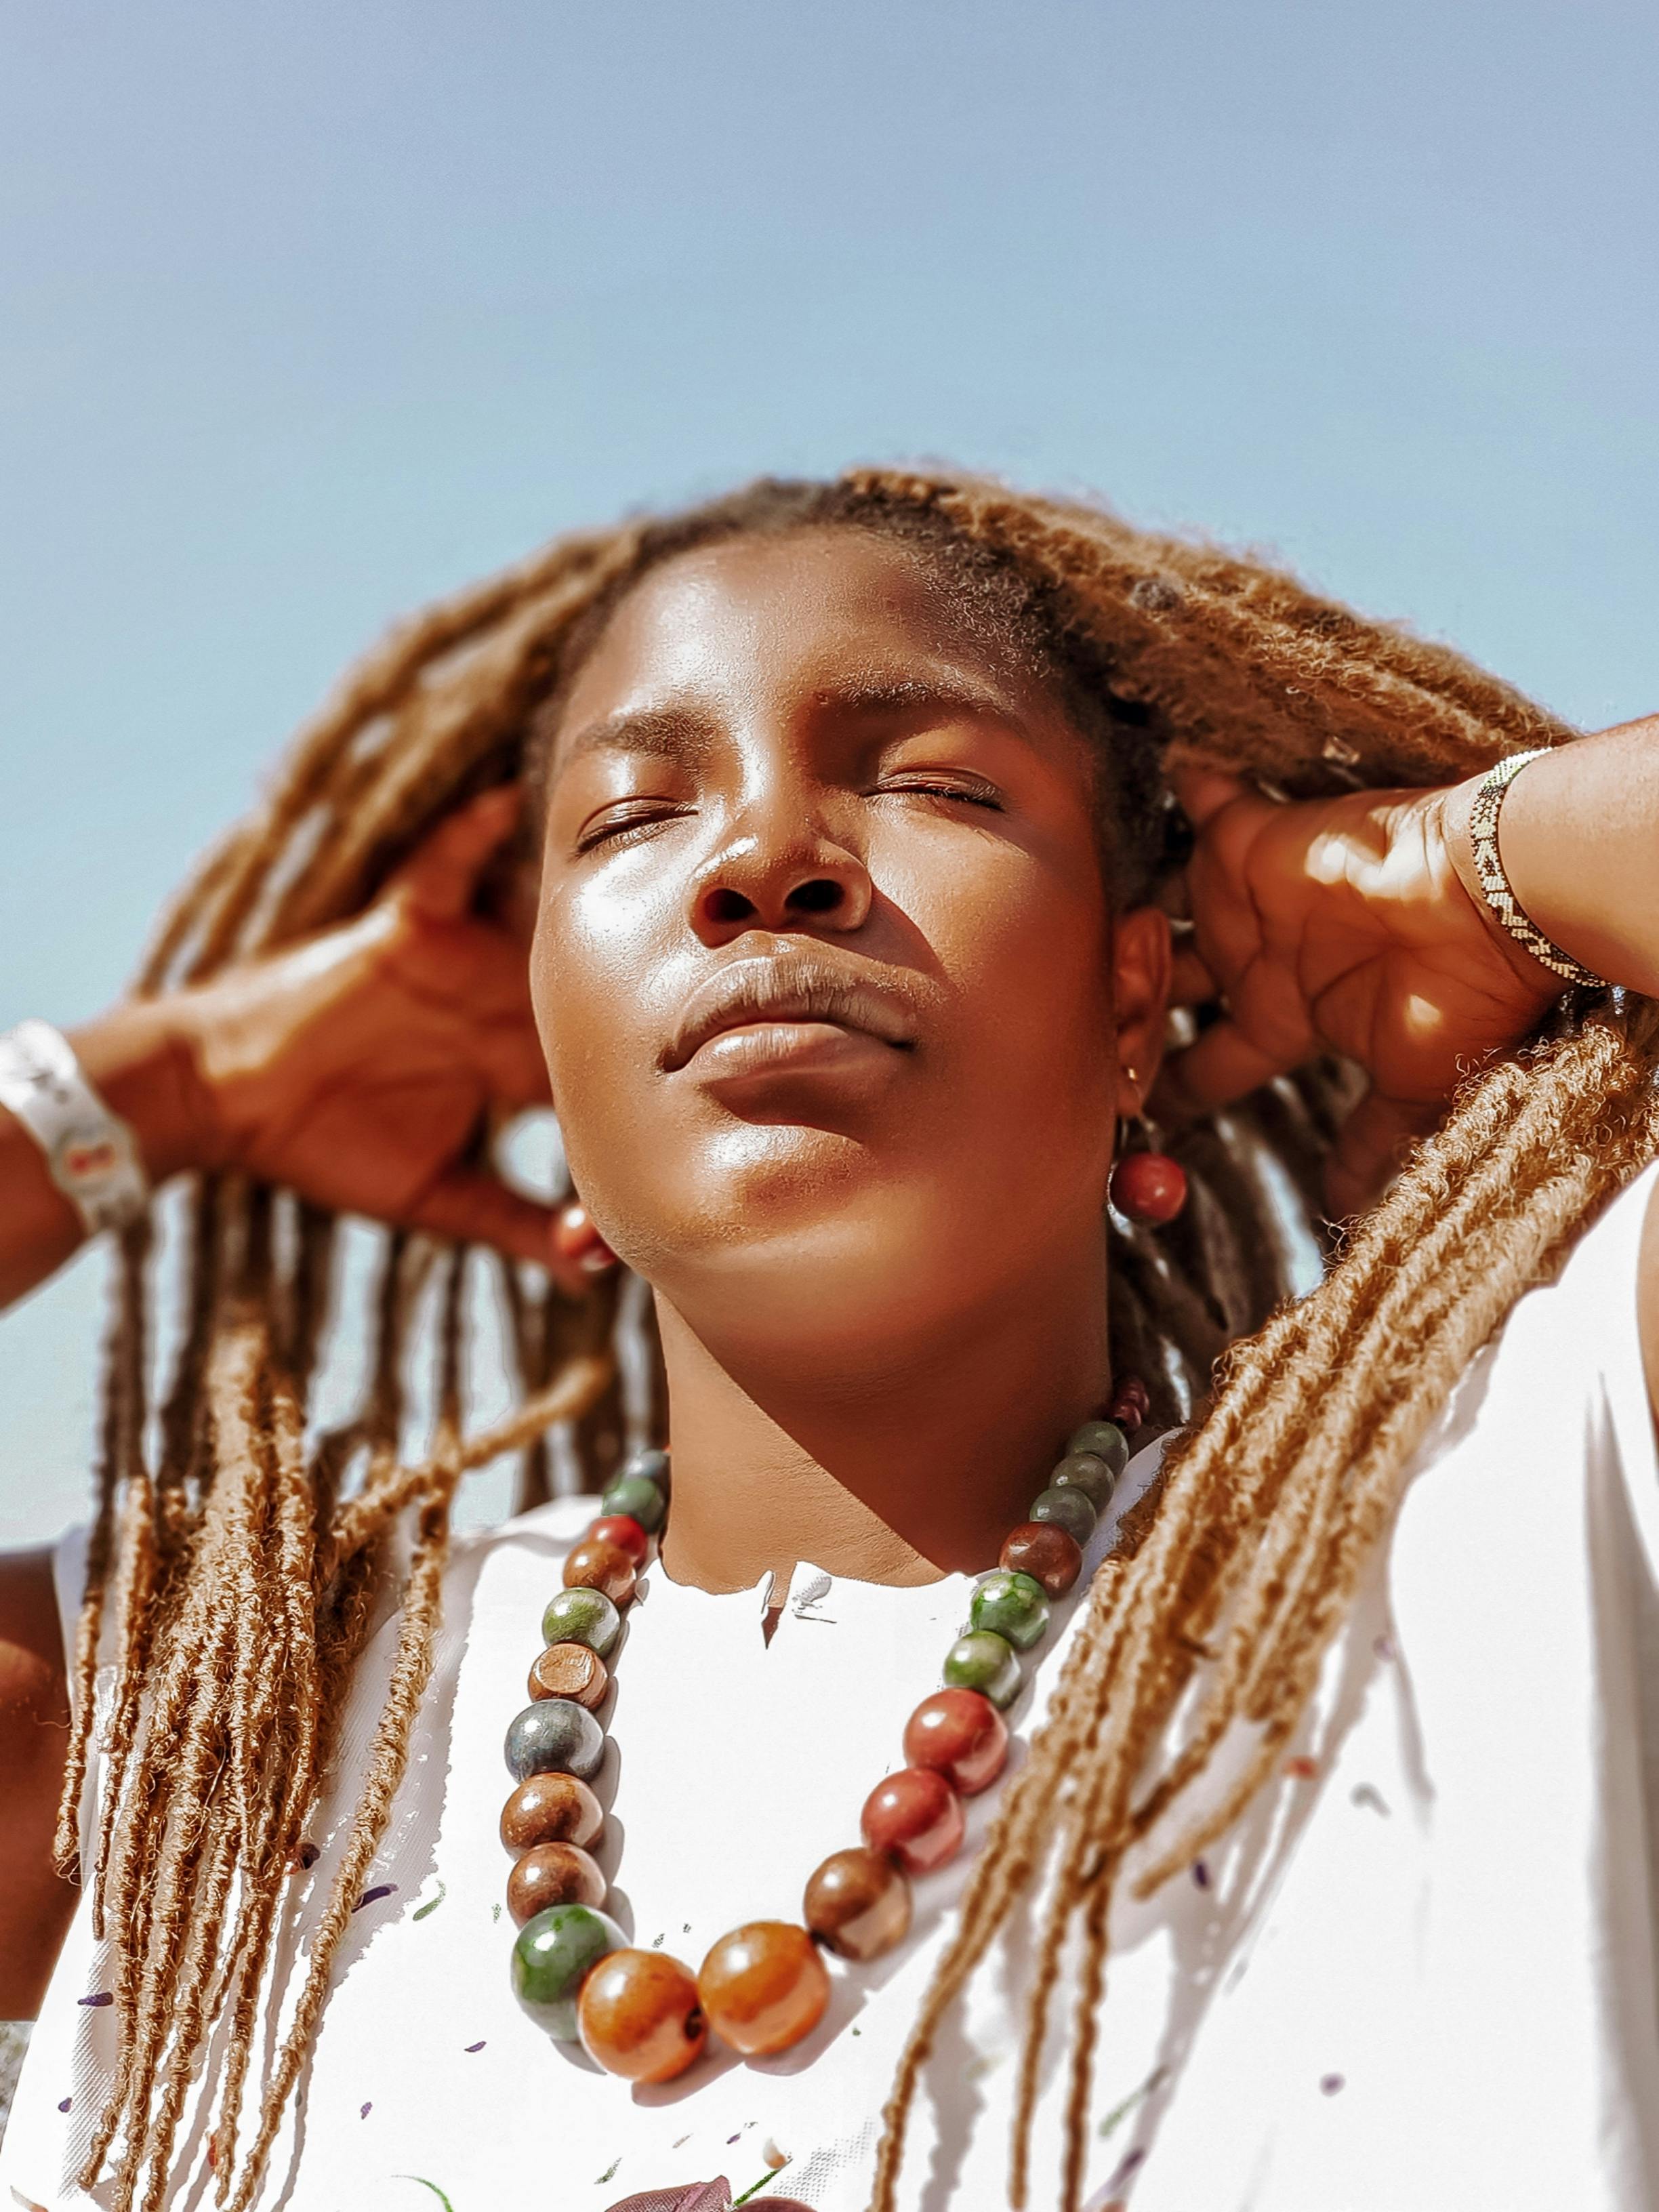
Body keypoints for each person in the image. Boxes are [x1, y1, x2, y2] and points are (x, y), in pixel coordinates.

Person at [0, 470, 1655, 2212]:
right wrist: (166, 1090)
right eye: (633, 820)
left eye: (933, 783)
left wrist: (1467, 859)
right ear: (552, 1033)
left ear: (1130, 993)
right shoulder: (208, 1728)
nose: (761, 863)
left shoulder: (1513, 1505)